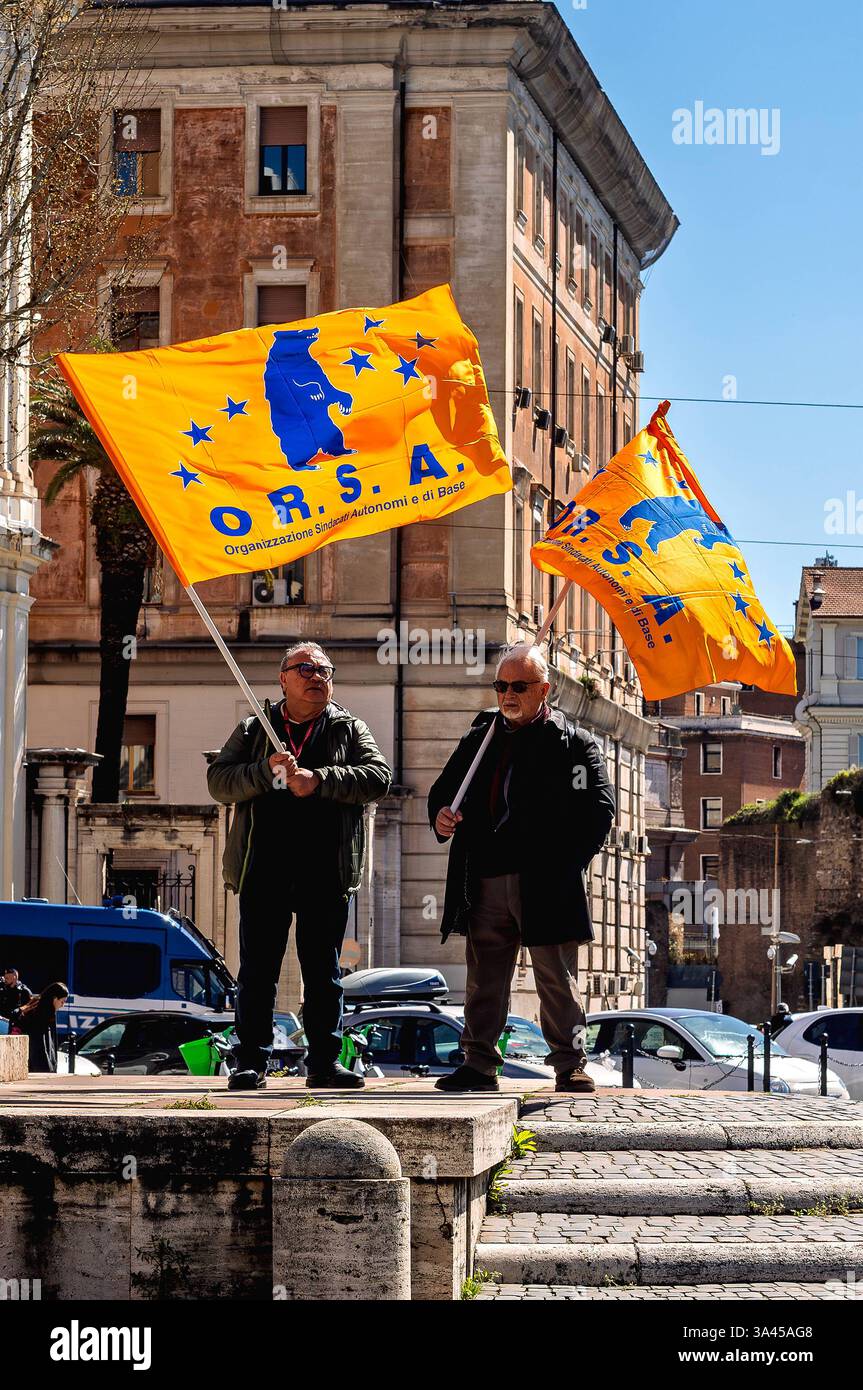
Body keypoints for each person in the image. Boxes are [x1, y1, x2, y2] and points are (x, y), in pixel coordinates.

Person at [428, 642, 615, 1093]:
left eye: (519, 686)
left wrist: (567, 866)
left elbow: (599, 811)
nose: (508, 695)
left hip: (547, 883)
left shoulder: (573, 743)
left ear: (544, 690)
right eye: (501, 686)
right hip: (485, 878)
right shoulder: (480, 737)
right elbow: (443, 792)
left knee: (557, 979)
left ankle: (570, 1064)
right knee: (484, 978)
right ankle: (478, 1064)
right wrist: (442, 816)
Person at [208, 642, 391, 1091]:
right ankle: (251, 1061)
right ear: (283, 679)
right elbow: (219, 781)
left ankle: (325, 1062)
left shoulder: (348, 728)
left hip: (325, 870)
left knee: (323, 971)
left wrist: (320, 779)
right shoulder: (255, 727)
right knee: (257, 970)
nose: (317, 677)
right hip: (263, 868)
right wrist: (263, 771)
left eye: (325, 671)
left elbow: (378, 777)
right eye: (306, 669)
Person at [11, 983, 69, 1073]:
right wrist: (47, 1070)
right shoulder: (41, 1014)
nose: (63, 1005)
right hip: (37, 1069)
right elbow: (40, 1048)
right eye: (62, 1001)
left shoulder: (42, 1008)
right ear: (54, 999)